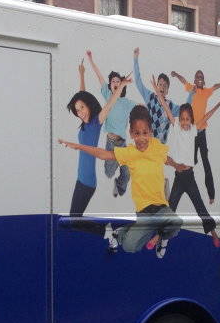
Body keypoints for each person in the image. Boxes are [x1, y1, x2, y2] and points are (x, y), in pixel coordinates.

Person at [59, 107, 181, 258]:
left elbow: (167, 158)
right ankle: (124, 232)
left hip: (161, 208)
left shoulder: (157, 147)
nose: (141, 138)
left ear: (150, 132)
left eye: (145, 133)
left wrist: (176, 165)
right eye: (137, 133)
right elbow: (104, 155)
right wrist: (79, 146)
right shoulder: (129, 153)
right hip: (144, 213)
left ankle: (161, 238)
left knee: (176, 222)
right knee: (130, 247)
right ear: (131, 134)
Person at [63, 60, 130, 242]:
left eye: (82, 109)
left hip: (87, 182)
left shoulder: (95, 123)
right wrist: (82, 74)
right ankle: (106, 231)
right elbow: (82, 97)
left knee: (74, 221)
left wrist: (121, 86)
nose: (80, 112)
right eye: (77, 110)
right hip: (80, 179)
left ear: (89, 107)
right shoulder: (84, 123)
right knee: (73, 219)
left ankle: (106, 232)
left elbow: (109, 104)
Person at [156, 93, 220, 248]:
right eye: (182, 119)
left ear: (191, 120)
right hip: (179, 177)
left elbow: (205, 118)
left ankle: (213, 232)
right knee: (171, 208)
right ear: (179, 119)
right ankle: (158, 236)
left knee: (200, 206)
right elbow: (167, 109)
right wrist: (158, 93)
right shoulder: (176, 127)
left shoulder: (193, 129)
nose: (185, 122)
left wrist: (217, 107)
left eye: (187, 119)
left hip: (189, 177)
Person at [171, 68, 220, 204]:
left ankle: (211, 195)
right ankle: (184, 184)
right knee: (192, 161)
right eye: (197, 77)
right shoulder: (192, 89)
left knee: (205, 161)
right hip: (192, 134)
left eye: (201, 77)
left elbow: (215, 86)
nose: (199, 79)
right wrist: (176, 74)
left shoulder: (206, 92)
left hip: (201, 132)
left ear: (203, 80)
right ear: (195, 80)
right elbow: (183, 81)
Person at [85, 50, 135, 197]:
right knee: (109, 172)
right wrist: (91, 59)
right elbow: (99, 76)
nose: (115, 83)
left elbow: (140, 108)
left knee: (127, 173)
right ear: (110, 85)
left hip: (122, 143)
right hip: (111, 143)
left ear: (122, 85)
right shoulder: (107, 95)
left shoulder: (126, 102)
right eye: (113, 81)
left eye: (118, 81)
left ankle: (119, 184)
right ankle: (116, 166)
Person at [131, 47, 178, 143]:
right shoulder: (150, 97)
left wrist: (192, 93)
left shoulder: (171, 106)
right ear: (156, 86)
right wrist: (135, 59)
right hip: (147, 144)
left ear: (167, 91)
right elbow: (138, 82)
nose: (162, 87)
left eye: (165, 86)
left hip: (160, 147)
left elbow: (185, 109)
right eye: (160, 84)